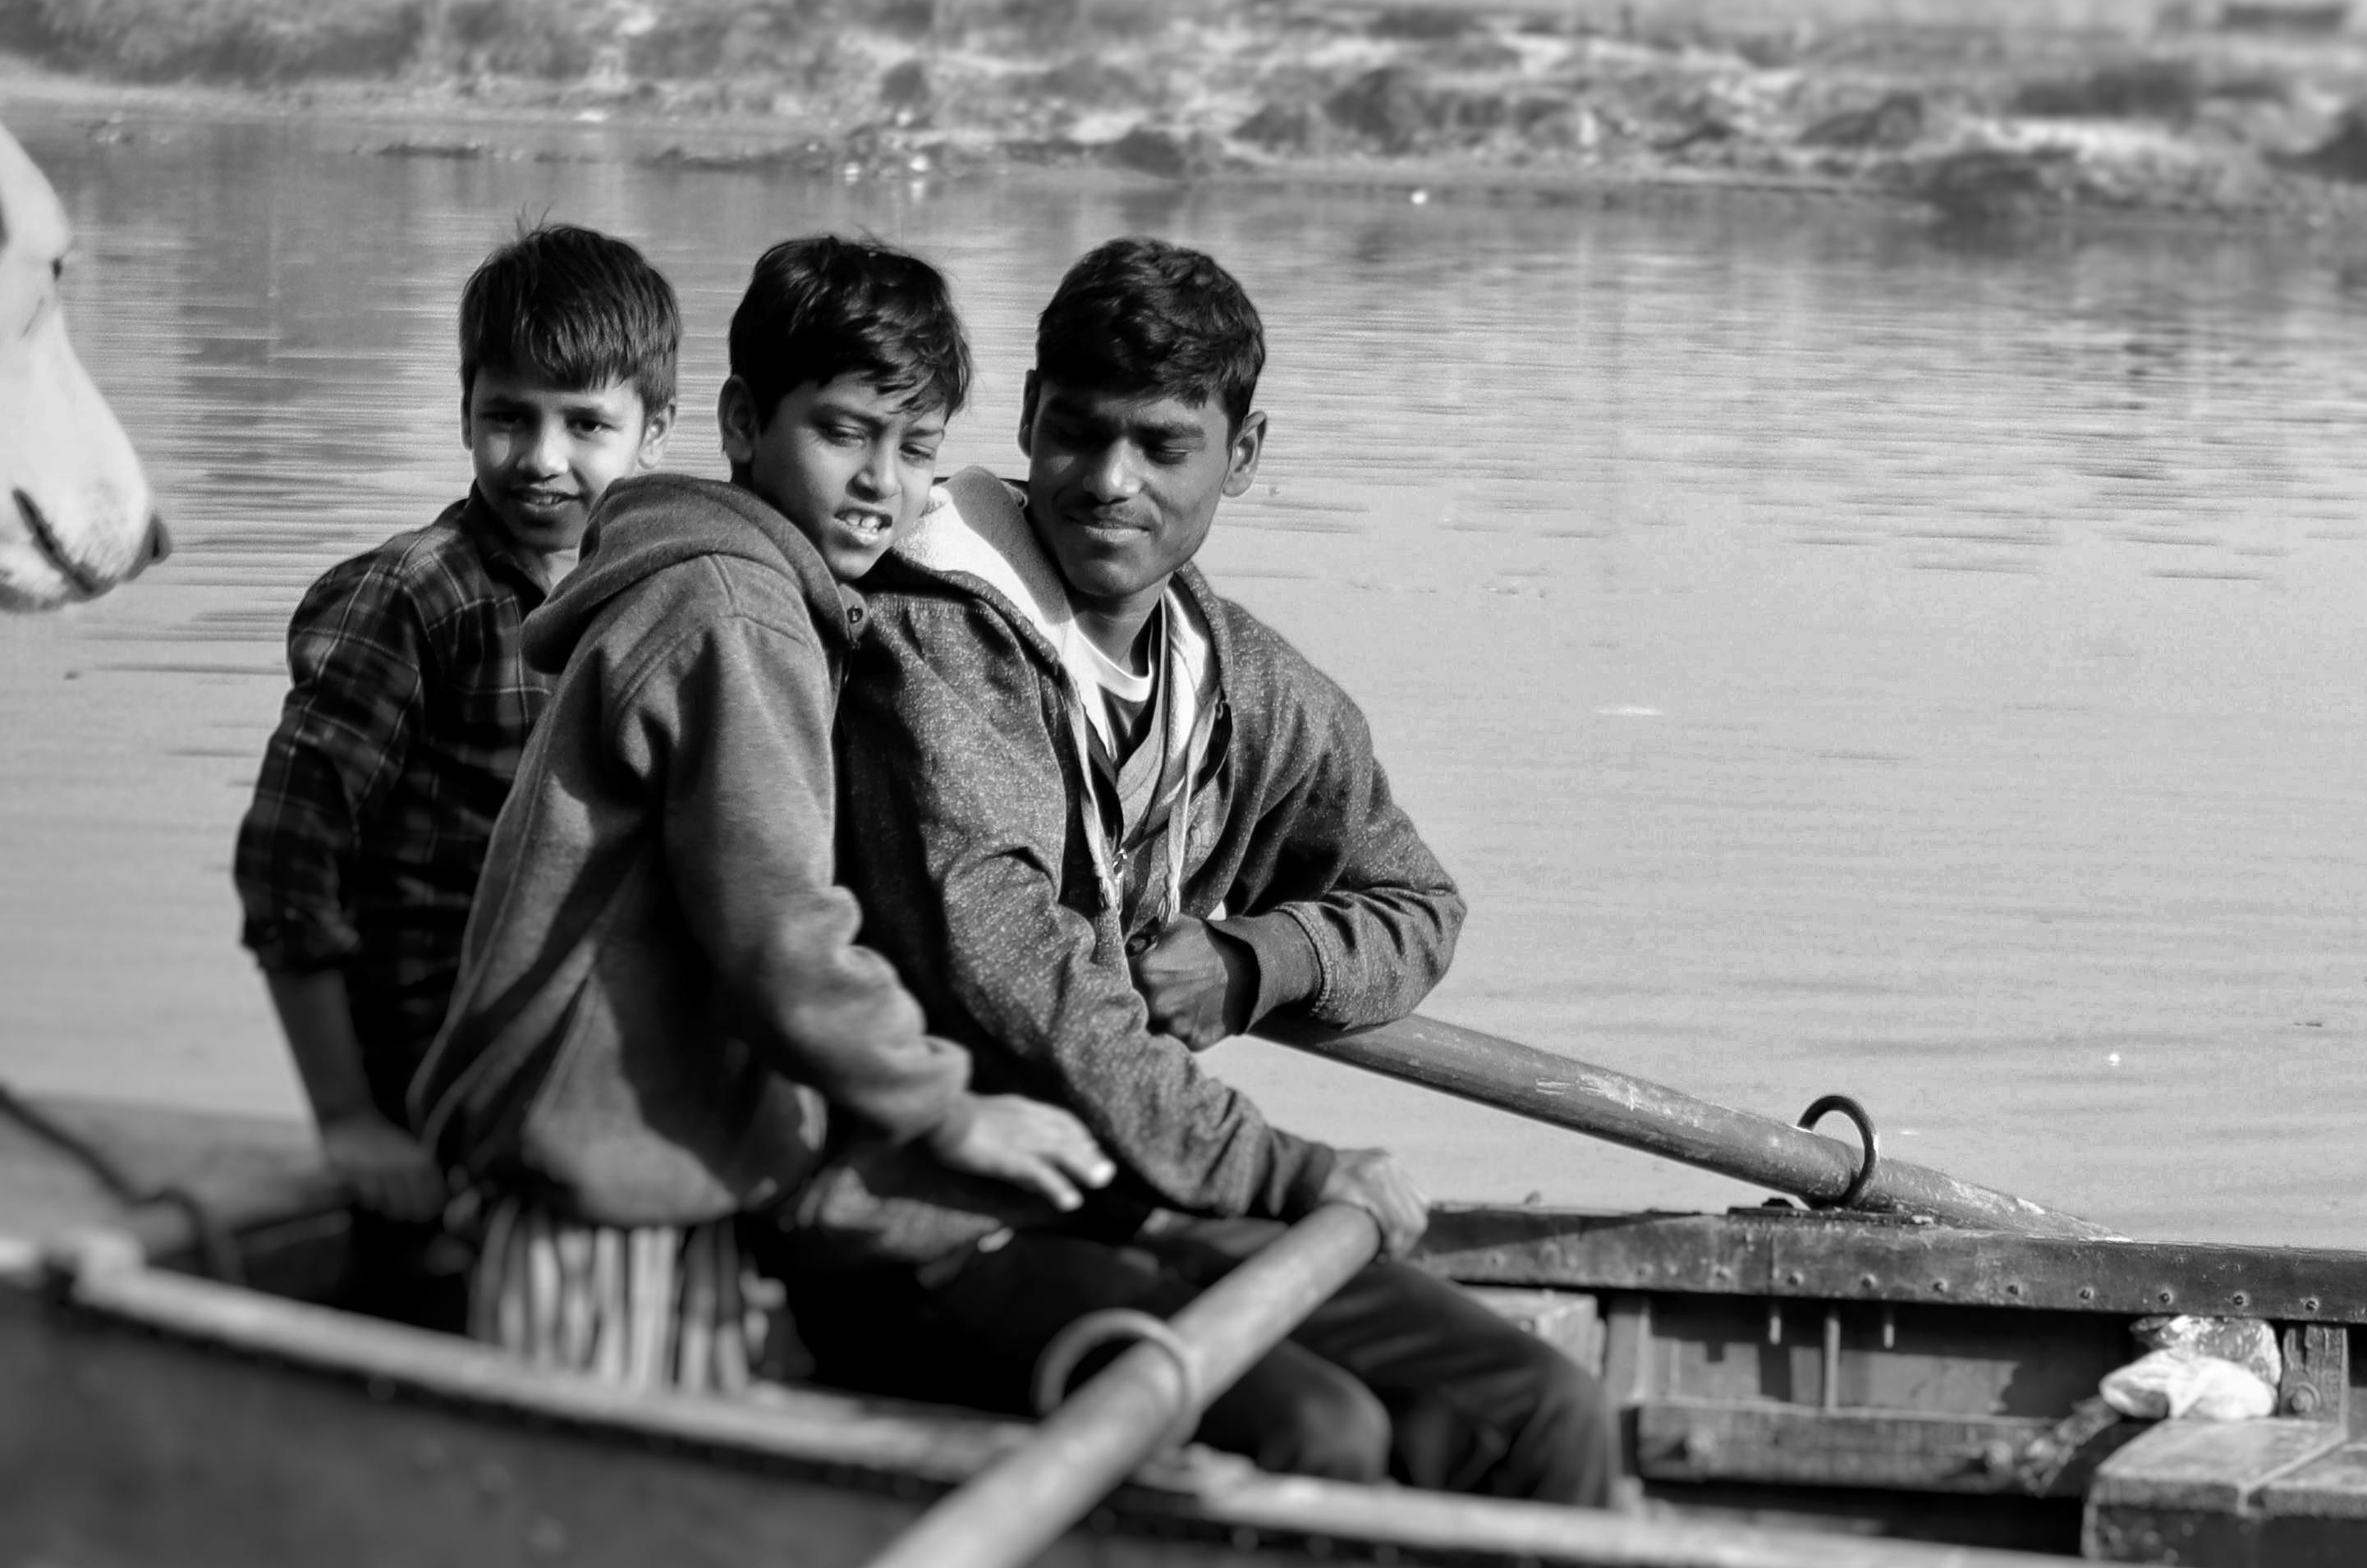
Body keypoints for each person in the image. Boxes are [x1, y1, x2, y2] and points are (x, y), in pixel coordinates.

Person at [779, 236, 1610, 1503]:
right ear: (1028, 422)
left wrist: (1254, 960)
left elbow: (1416, 907)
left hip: (1146, 1195)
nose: (1108, 484)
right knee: (1318, 1435)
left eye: (1162, 447)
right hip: (934, 1219)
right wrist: (1287, 1170)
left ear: (1247, 455)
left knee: (1536, 1406)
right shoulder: (934, 640)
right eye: (1077, 434)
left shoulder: (1242, 686)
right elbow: (1023, 981)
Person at [409, 233, 1113, 1387]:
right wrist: (946, 1111)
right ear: (741, 423)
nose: (883, 482)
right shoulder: (735, 612)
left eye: (918, 447)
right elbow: (779, 927)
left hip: (658, 1158)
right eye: (843, 431)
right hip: (595, 1175)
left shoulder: (750, 587)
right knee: (586, 1516)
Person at [231, 224, 672, 1324]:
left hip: (571, 1078)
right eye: (508, 417)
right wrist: (346, 1120)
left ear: (655, 431)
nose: (541, 459)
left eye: (588, 425)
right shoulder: (412, 599)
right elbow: (289, 859)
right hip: (429, 1088)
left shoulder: (653, 597)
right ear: (465, 407)